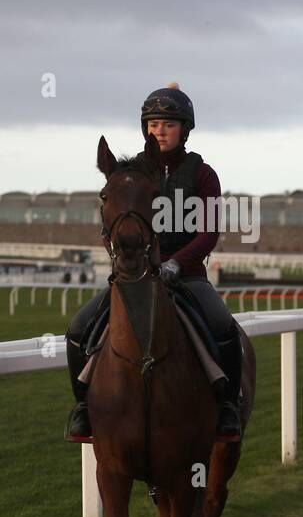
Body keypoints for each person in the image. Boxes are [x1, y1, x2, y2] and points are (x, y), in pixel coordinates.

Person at [64, 83, 243, 442]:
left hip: (187, 277)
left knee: (224, 328)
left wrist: (176, 264)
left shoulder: (203, 175)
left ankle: (226, 408)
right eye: (153, 124)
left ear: (185, 129)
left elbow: (208, 234)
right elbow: (116, 225)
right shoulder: (133, 177)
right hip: (136, 278)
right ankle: (84, 407)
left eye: (168, 124)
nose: (159, 131)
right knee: (78, 328)